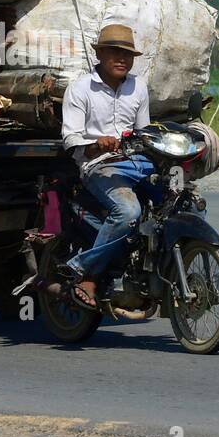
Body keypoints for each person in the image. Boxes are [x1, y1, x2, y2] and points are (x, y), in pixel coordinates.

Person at [59, 23, 153, 310]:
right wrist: (96, 144)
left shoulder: (138, 86)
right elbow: (71, 138)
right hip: (98, 166)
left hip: (137, 163)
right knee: (128, 211)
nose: (122, 58)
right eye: (114, 52)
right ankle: (85, 271)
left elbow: (144, 133)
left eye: (127, 54)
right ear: (100, 54)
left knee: (183, 199)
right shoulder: (80, 88)